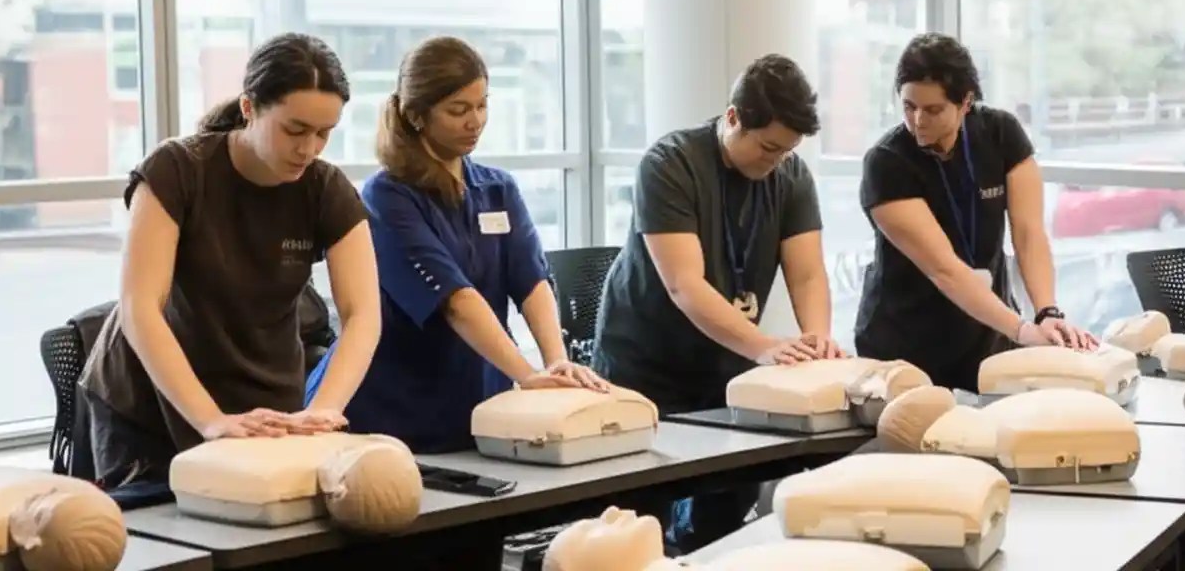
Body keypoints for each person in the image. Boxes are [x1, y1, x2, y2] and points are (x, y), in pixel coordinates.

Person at [79, 32, 382, 489]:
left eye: (324, 134)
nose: (309, 148)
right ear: (248, 108)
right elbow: (141, 306)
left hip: (265, 402)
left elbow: (363, 315)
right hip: (152, 403)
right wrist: (211, 420)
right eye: (295, 130)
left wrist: (323, 410)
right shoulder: (176, 170)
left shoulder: (326, 189)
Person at [307, 35, 606, 458]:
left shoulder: (497, 188)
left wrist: (555, 364)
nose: (476, 121)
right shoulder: (386, 197)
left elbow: (532, 281)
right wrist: (526, 374)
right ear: (415, 116)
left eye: (482, 105)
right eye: (458, 110)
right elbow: (455, 301)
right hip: (396, 408)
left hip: (479, 397)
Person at [592, 53, 840, 554]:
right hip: (647, 365)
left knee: (724, 519)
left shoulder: (789, 176)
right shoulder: (669, 164)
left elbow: (808, 272)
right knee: (639, 529)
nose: (776, 160)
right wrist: (766, 346)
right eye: (768, 146)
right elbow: (685, 284)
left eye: (787, 151)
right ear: (733, 118)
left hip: (726, 367)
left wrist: (817, 340)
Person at [853, 32, 1095, 393]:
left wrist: (1047, 312)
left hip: (987, 333)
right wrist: (1023, 330)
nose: (918, 120)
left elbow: (1028, 234)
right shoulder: (887, 163)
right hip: (904, 343)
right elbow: (944, 269)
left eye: (932, 109)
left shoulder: (1001, 134)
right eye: (908, 106)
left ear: (965, 102)